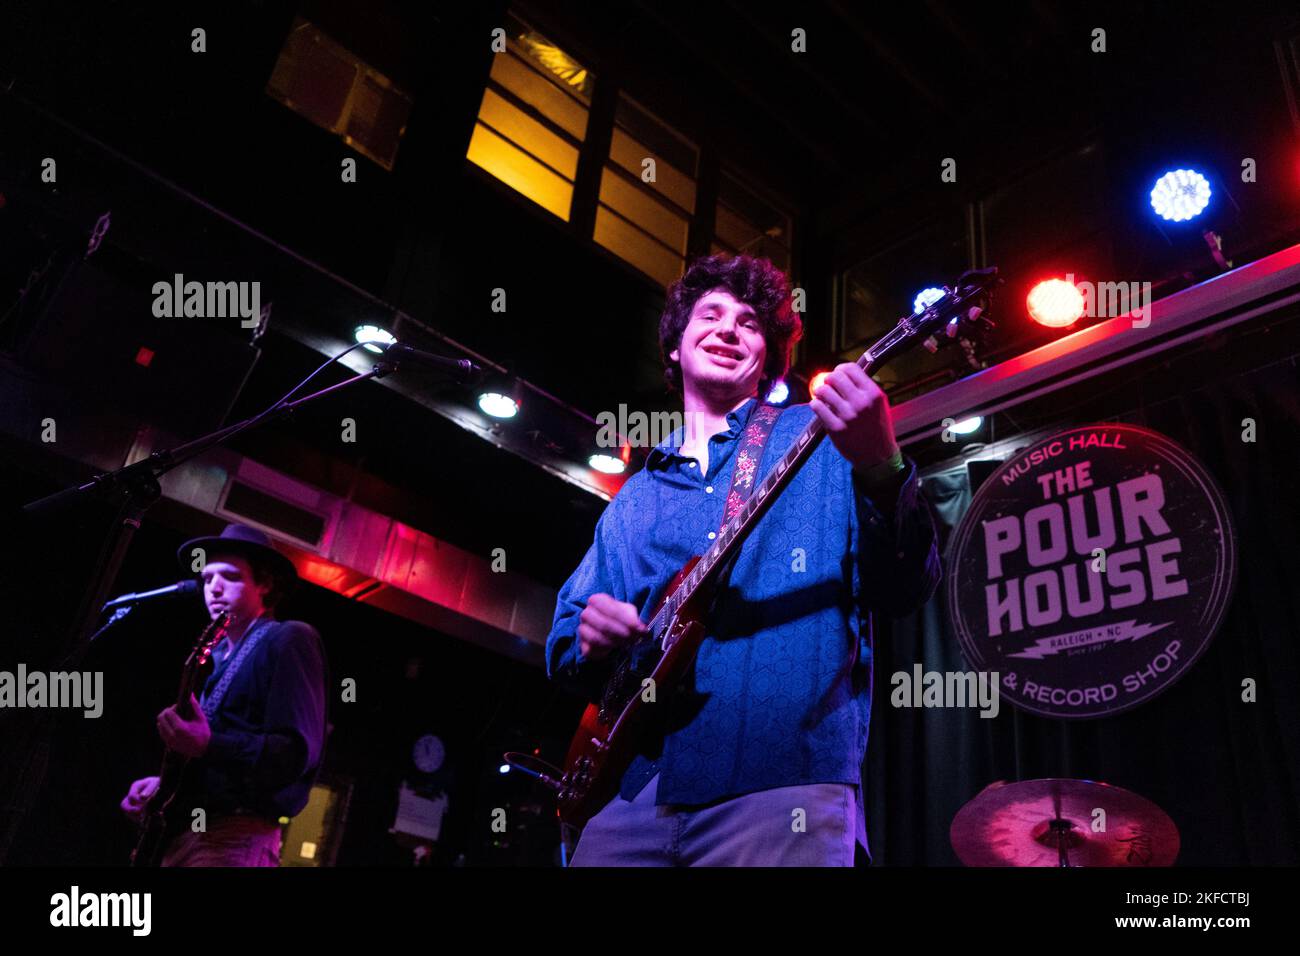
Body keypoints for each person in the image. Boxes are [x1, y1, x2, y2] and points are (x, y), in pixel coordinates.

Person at [546, 253, 941, 866]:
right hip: (628, 796)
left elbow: (906, 587)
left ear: (770, 358)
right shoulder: (633, 501)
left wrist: (883, 467)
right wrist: (589, 634)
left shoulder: (822, 435)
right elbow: (565, 647)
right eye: (711, 314)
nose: (729, 329)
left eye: (751, 322)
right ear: (675, 346)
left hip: (781, 787)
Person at [120, 523, 328, 867]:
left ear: (264, 583)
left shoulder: (289, 638)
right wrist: (167, 787)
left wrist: (208, 744)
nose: (213, 587)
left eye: (229, 577)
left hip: (235, 836)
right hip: (191, 834)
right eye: (206, 578)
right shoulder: (216, 660)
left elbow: (294, 753)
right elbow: (217, 763)